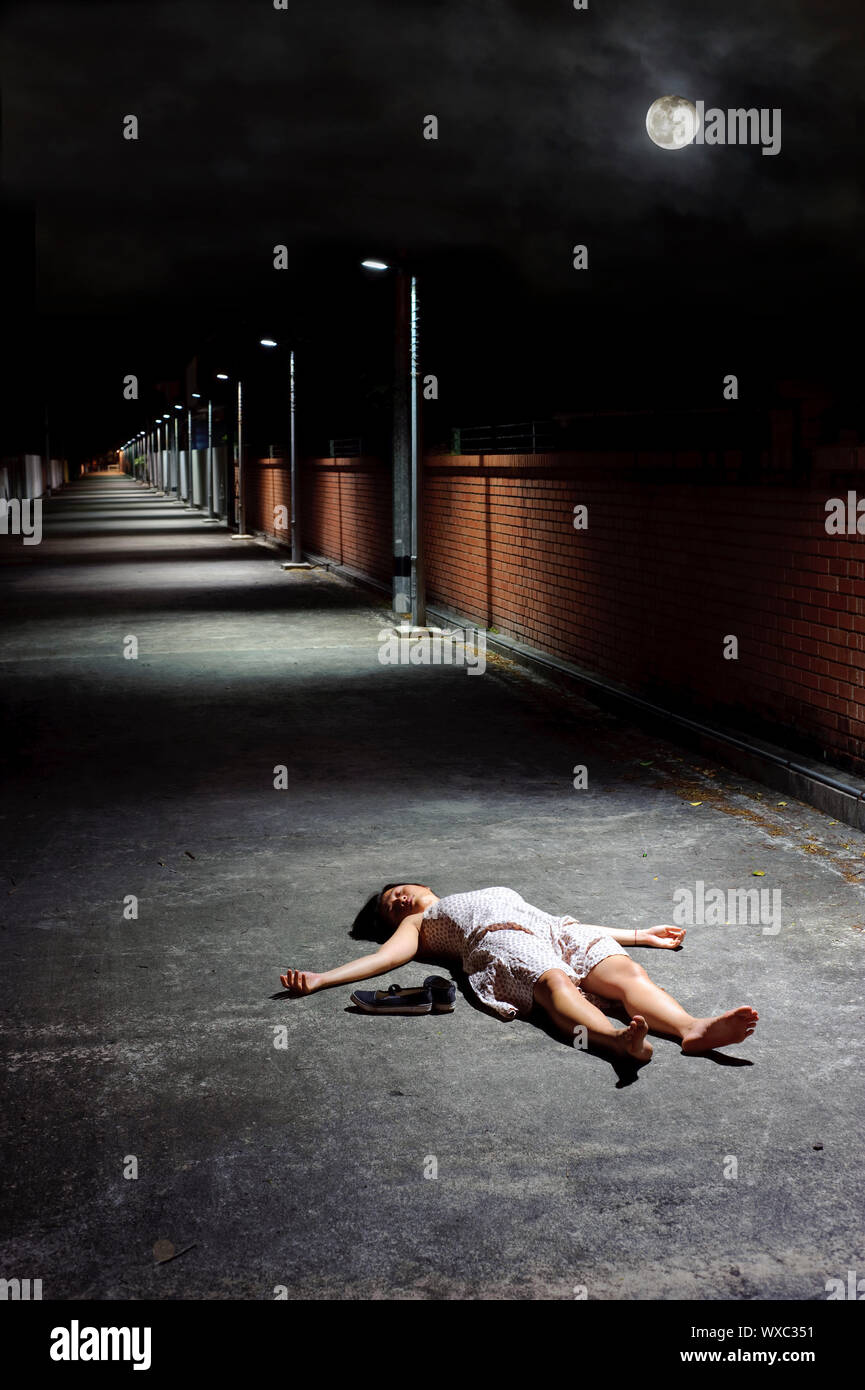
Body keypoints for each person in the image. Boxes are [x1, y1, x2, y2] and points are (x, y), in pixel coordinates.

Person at [279, 883, 759, 1064]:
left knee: (627, 973)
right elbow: (385, 959)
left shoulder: (472, 890)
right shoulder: (419, 922)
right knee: (555, 985)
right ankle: (616, 1042)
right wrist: (322, 978)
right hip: (498, 942)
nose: (399, 898)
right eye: (390, 905)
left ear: (421, 883)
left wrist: (639, 933)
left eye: (399, 890)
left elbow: (552, 918)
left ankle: (691, 1028)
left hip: (554, 928)